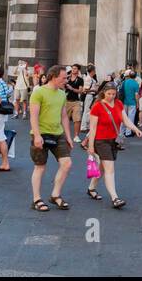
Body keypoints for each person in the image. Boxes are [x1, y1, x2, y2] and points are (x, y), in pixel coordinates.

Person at [85, 82, 142, 208]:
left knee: (102, 167)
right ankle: (114, 198)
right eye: (108, 94)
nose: (111, 96)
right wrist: (90, 146)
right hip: (100, 141)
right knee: (109, 168)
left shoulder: (118, 103)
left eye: (113, 94)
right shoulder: (97, 106)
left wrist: (135, 129)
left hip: (113, 140)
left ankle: (91, 188)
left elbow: (125, 120)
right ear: (103, 93)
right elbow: (93, 128)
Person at [29, 65, 73, 211]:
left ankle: (55, 194)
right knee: (40, 167)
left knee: (66, 163)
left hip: (58, 133)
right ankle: (36, 199)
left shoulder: (62, 94)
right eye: (64, 78)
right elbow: (33, 115)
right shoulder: (39, 92)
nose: (66, 80)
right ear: (54, 77)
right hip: (41, 133)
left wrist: (68, 136)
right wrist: (36, 135)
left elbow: (64, 116)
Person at [65, 65, 85, 143]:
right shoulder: (67, 78)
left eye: (75, 68)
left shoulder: (80, 80)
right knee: (64, 119)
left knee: (77, 119)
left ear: (78, 70)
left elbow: (80, 91)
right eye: (72, 68)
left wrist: (72, 88)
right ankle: (64, 135)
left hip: (76, 101)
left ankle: (76, 136)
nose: (73, 70)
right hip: (66, 101)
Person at [120, 70, 140, 135]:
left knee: (123, 117)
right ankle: (128, 132)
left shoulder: (125, 82)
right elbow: (136, 95)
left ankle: (121, 131)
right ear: (135, 76)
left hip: (124, 101)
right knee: (130, 118)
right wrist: (137, 103)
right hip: (132, 102)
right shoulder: (136, 84)